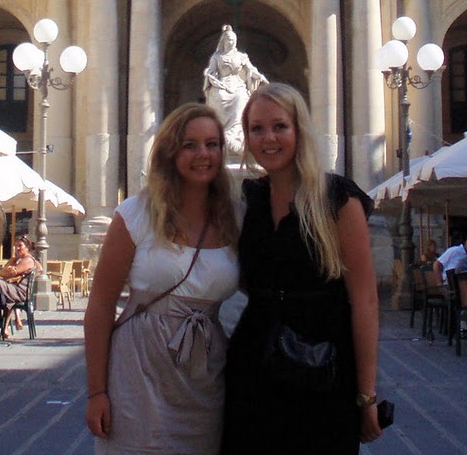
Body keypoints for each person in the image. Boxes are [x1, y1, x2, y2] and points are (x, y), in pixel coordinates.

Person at [223, 84, 381, 452]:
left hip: (321, 367)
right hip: (254, 363)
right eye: (256, 129)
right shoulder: (251, 200)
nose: (268, 138)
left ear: (299, 130)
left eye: (279, 126)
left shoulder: (337, 199)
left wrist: (366, 395)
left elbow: (366, 302)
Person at [83, 103, 240, 453]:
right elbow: (100, 305)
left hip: (204, 374)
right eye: (190, 145)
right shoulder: (136, 214)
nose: (203, 154)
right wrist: (96, 392)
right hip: (139, 369)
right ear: (170, 152)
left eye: (212, 144)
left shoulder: (235, 217)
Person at [202, 25, 269, 159]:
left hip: (237, 86)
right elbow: (212, 72)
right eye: (229, 40)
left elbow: (251, 70)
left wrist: (259, 76)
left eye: (233, 40)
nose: (231, 42)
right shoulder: (217, 57)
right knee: (218, 95)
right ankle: (226, 138)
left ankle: (234, 137)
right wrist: (210, 75)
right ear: (224, 41)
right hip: (221, 86)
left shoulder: (241, 56)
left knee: (241, 98)